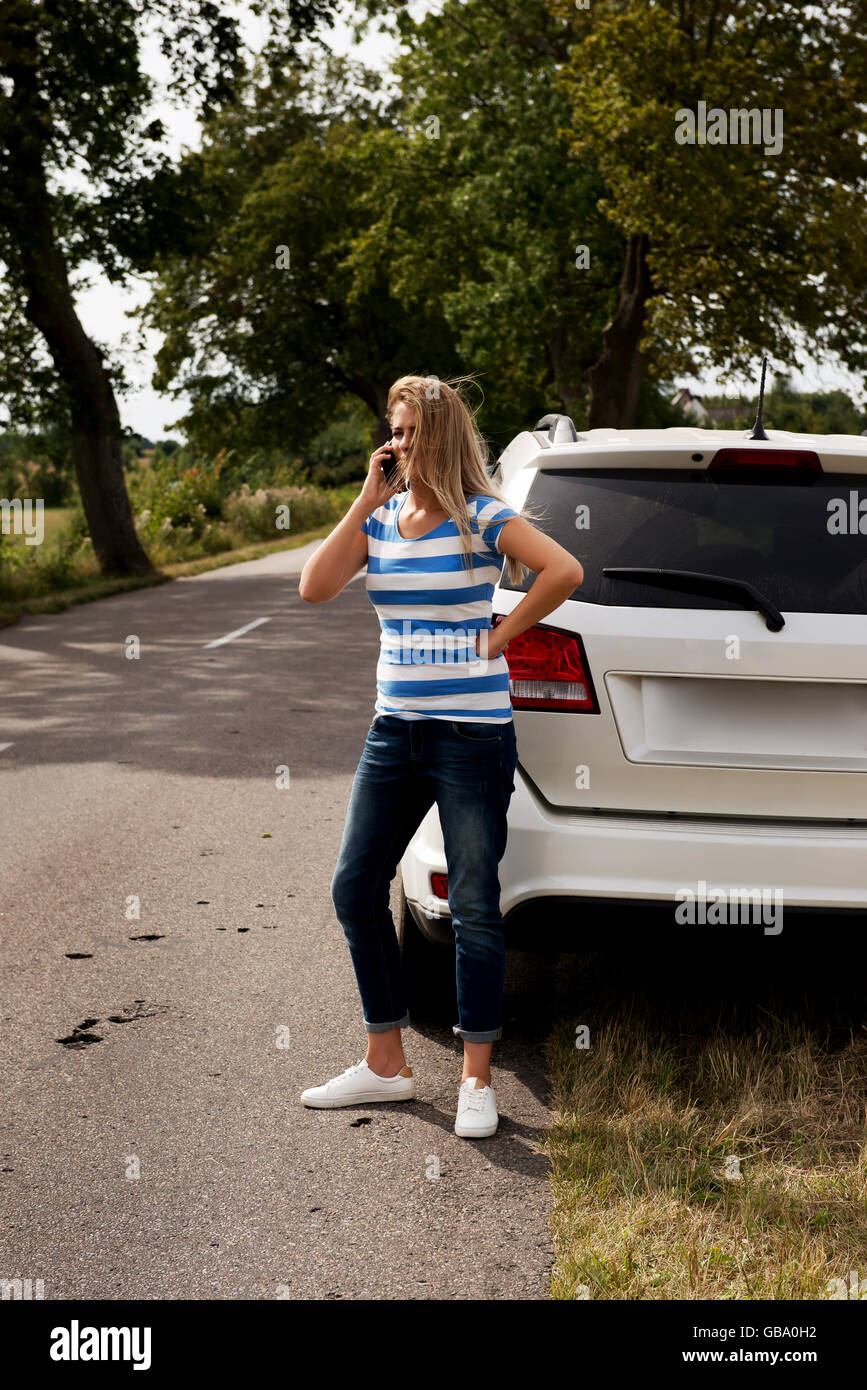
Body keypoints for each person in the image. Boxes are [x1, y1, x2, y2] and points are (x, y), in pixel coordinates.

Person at [298, 374, 583, 1137]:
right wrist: (364, 498)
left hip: (469, 736)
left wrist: (498, 637)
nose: (397, 444)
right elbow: (314, 587)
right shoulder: (383, 519)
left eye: (411, 432)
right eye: (392, 430)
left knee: (473, 906)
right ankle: (385, 1064)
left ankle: (475, 1079)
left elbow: (563, 571)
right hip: (394, 732)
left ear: (441, 439)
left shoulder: (482, 518)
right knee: (355, 887)